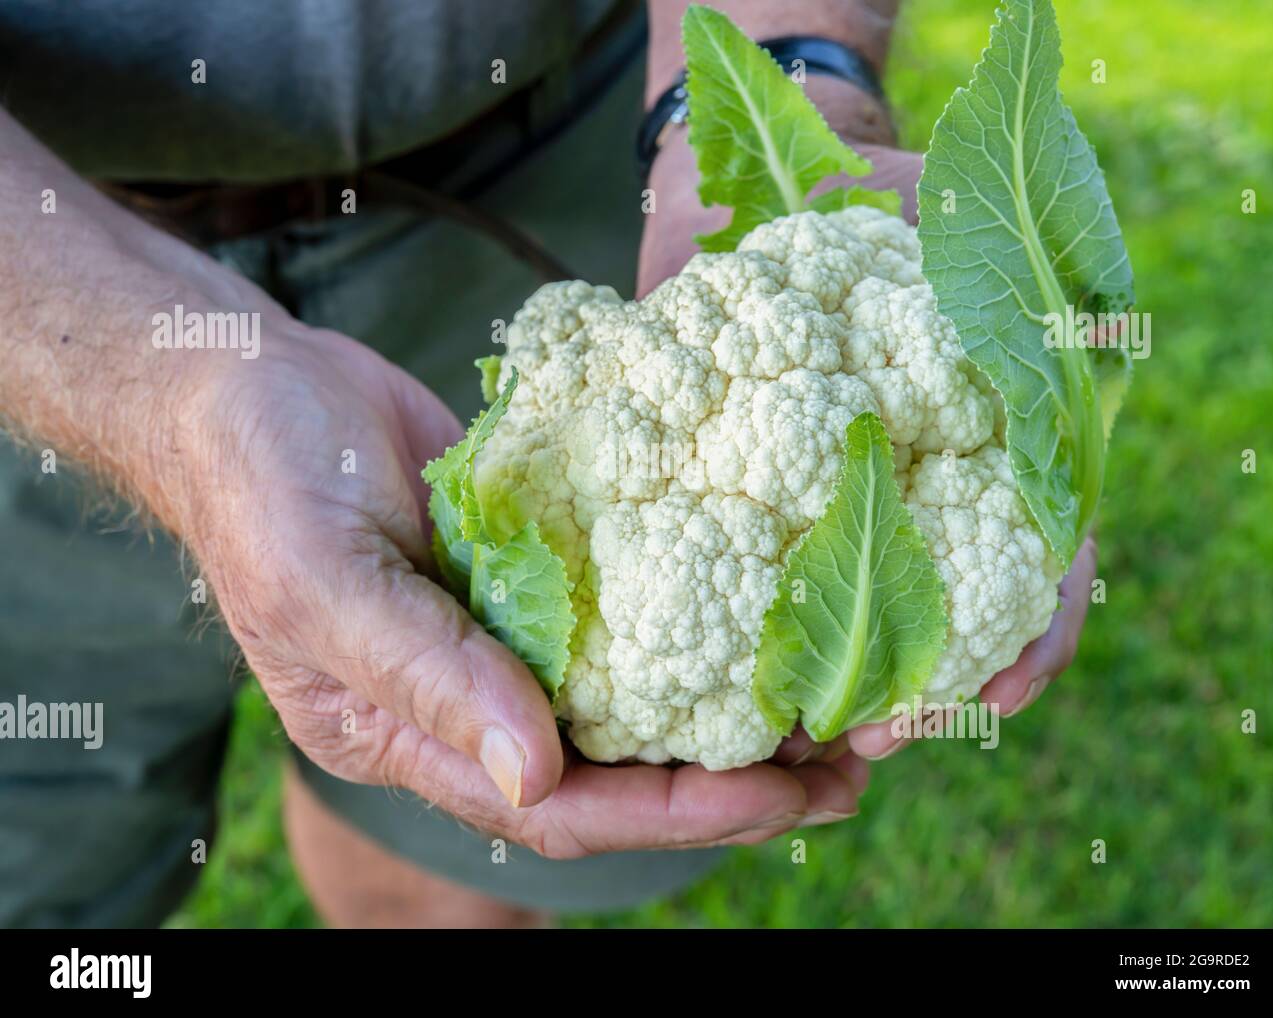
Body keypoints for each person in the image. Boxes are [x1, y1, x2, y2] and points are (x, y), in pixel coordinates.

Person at [0, 0, 1095, 928]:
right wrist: (168, 394)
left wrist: (796, 68)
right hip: (37, 259)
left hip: (564, 164)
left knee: (455, 864)